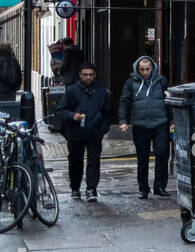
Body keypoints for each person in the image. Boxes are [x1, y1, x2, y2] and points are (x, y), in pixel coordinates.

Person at [117, 55, 171, 198]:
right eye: (142, 70)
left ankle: (160, 186)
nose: (145, 72)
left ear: (152, 68)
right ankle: (143, 189)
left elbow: (169, 103)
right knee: (142, 157)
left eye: (147, 69)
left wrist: (172, 123)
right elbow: (124, 102)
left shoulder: (161, 81)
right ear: (137, 69)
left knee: (162, 155)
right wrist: (122, 121)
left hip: (160, 123)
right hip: (140, 125)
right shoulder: (130, 83)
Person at [58, 62, 111, 202]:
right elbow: (61, 110)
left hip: (94, 132)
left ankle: (91, 189)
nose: (88, 77)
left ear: (95, 75)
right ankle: (75, 188)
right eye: (85, 75)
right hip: (75, 132)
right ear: (80, 75)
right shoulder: (71, 90)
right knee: (75, 161)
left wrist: (103, 129)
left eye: (91, 75)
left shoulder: (101, 92)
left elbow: (108, 113)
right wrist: (72, 115)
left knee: (94, 161)